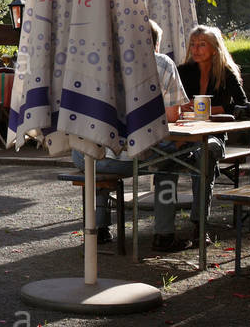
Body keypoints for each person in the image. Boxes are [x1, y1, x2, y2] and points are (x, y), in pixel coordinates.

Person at [73, 19, 187, 245]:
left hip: (83, 154)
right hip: (130, 155)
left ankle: (100, 228)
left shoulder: (100, 61)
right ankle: (164, 234)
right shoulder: (162, 63)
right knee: (170, 160)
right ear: (155, 44)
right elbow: (173, 116)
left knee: (100, 145)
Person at [152, 24, 248, 252]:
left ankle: (199, 225)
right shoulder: (183, 71)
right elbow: (174, 105)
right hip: (184, 134)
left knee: (204, 157)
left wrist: (206, 110)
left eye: (201, 44)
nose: (196, 49)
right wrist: (193, 110)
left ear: (214, 48)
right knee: (167, 161)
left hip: (213, 136)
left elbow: (242, 105)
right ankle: (164, 232)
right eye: (193, 44)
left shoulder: (226, 72)